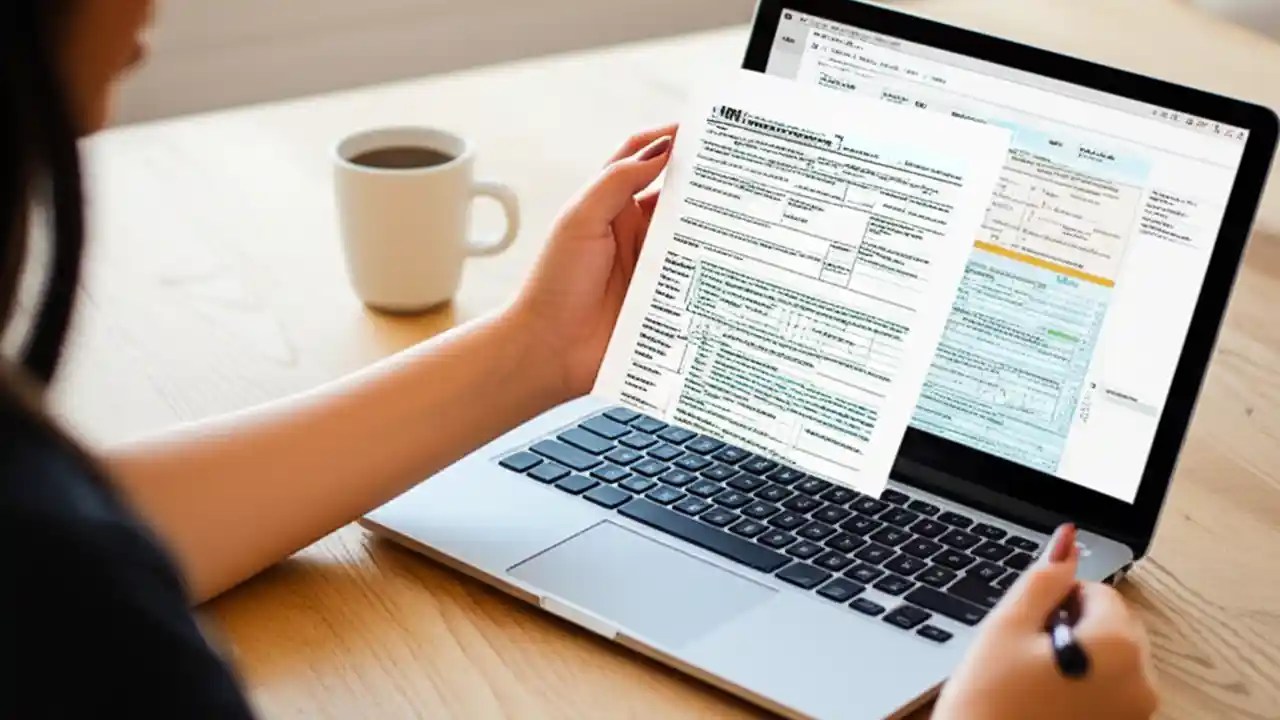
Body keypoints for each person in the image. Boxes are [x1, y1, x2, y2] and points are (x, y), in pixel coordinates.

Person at [1, 1, 1159, 718]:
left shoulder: (48, 542)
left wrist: (534, 352)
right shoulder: (86, 614)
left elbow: (80, 534)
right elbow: (67, 572)